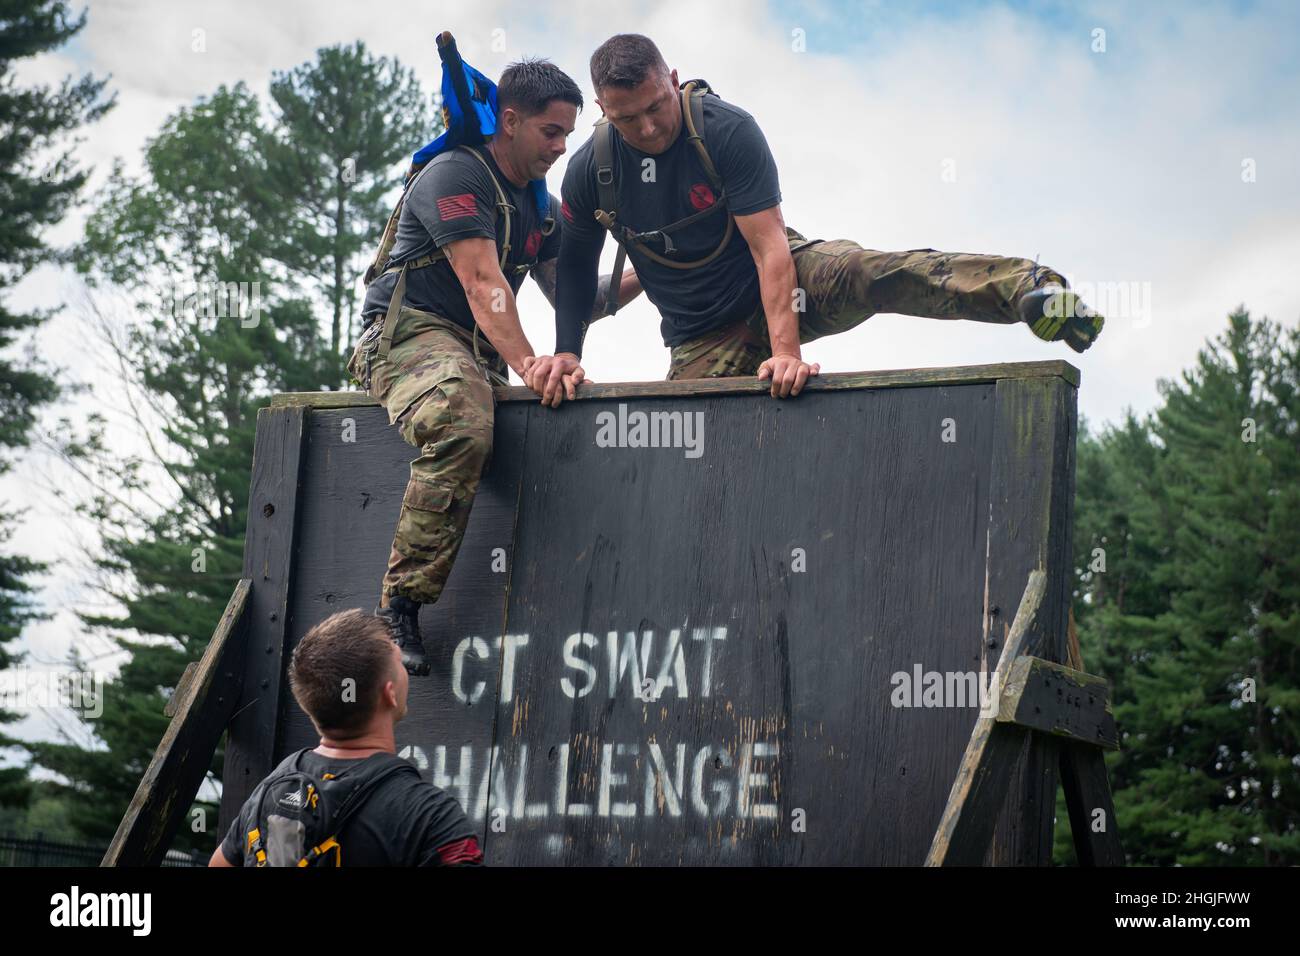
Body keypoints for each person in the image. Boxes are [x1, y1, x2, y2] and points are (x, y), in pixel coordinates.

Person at [527, 33, 1104, 405]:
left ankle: (1030, 290)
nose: (649, 129)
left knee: (869, 272)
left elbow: (769, 249)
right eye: (630, 119)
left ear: (673, 81)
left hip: (787, 278)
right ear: (604, 112)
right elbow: (576, 271)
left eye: (657, 107)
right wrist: (569, 356)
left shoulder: (725, 130)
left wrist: (786, 353)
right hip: (702, 334)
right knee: (690, 447)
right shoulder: (590, 171)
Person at [348, 58, 640, 673]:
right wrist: (533, 363)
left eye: (568, 135)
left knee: (543, 435)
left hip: (480, 353)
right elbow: (484, 286)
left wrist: (658, 270)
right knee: (460, 418)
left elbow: (580, 301)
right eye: (551, 132)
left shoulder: (538, 205)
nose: (562, 148)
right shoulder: (456, 176)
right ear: (509, 121)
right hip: (407, 339)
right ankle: (398, 607)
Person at [209, 609, 481, 866]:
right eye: (399, 661)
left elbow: (219, 863)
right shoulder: (431, 815)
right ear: (390, 694)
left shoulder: (272, 787)